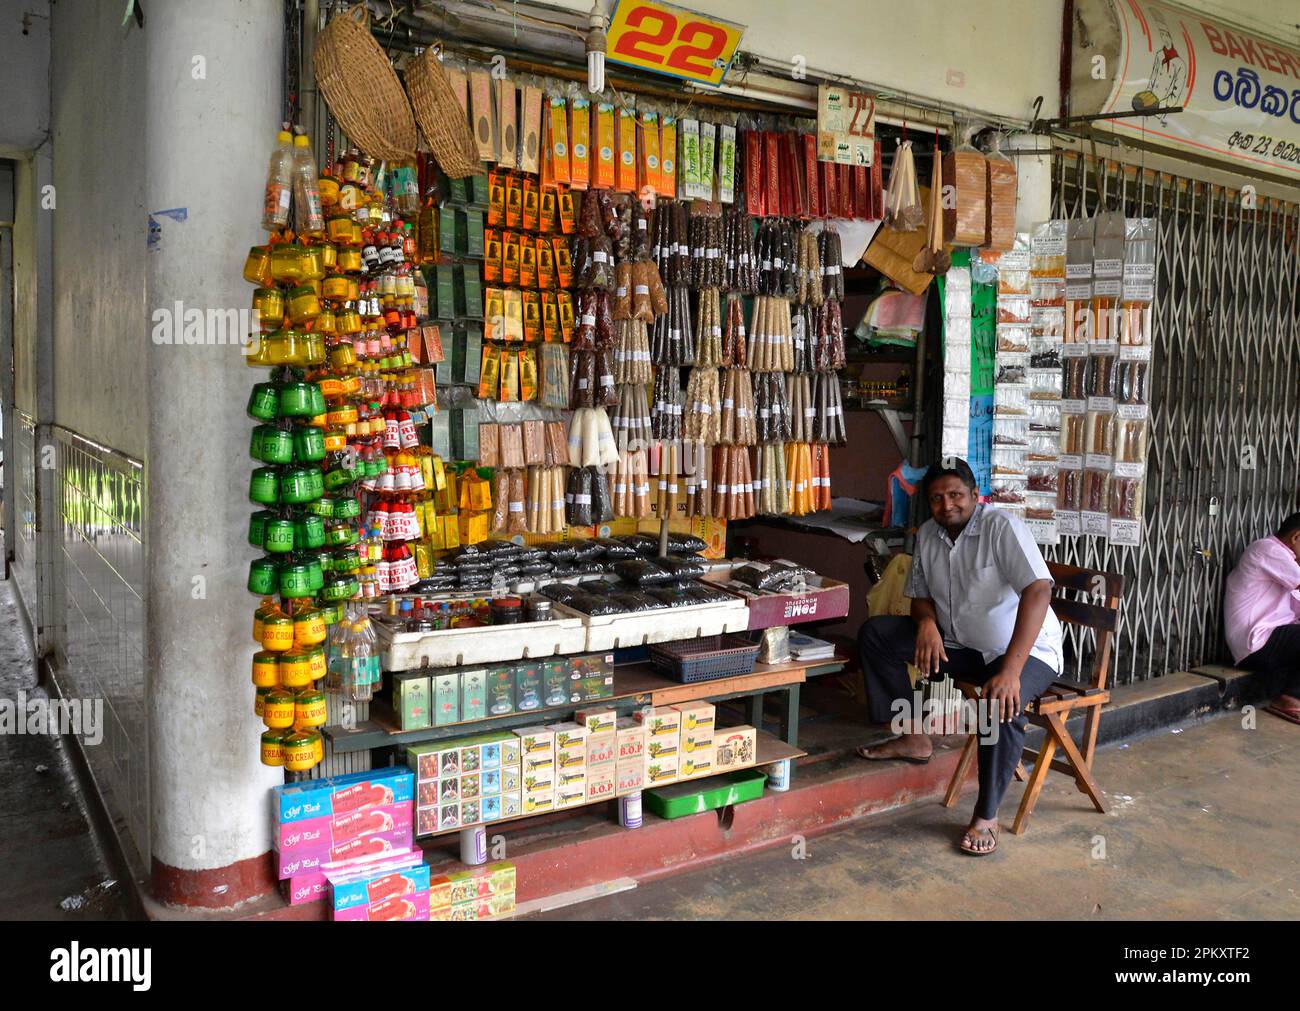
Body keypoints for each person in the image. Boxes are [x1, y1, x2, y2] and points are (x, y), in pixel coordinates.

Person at [856, 458, 1063, 856]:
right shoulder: (930, 536)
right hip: (960, 645)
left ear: (974, 495)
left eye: (955, 495)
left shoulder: (1000, 527)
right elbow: (920, 600)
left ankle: (986, 816)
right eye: (936, 498)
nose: (946, 505)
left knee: (998, 702)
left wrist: (1012, 671)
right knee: (877, 635)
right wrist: (927, 625)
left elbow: (1038, 591)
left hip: (1024, 651)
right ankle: (915, 735)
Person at [1223, 513, 1300, 726]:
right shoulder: (1268, 549)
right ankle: (1291, 698)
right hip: (1256, 642)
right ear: (1296, 537)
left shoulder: (1289, 563)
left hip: (1271, 639)